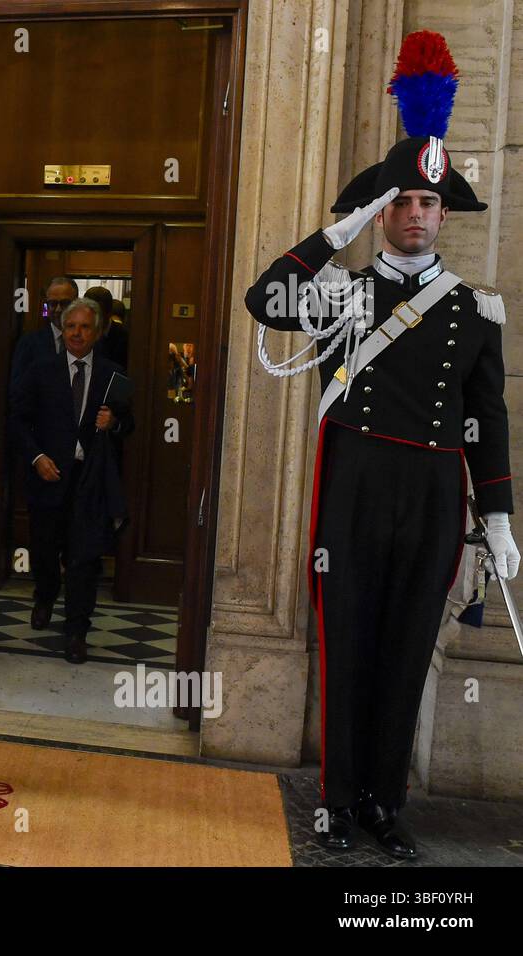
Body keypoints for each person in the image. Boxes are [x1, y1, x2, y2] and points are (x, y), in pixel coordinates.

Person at [246, 31, 518, 858]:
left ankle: (382, 802)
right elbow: (265, 299)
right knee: (349, 641)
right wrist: (336, 233)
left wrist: (499, 519)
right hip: (354, 482)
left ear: (443, 213)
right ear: (381, 211)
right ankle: (332, 800)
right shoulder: (342, 294)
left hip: (434, 495)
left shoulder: (477, 311)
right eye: (397, 202)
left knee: (405, 649)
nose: (412, 215)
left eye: (425, 203)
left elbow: (489, 419)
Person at [10, 298, 132, 661]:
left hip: (89, 481)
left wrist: (115, 424)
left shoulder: (114, 374)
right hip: (48, 475)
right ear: (63, 330)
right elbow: (17, 420)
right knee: (46, 550)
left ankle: (76, 629)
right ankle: (45, 596)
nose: (78, 333)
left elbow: (130, 425)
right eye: (72, 326)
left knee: (84, 559)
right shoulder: (40, 369)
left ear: (97, 332)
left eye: (85, 327)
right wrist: (36, 458)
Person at [11, 276, 77, 385]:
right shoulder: (29, 343)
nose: (58, 309)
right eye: (53, 304)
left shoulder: (88, 342)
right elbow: (18, 389)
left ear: (76, 303)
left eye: (64, 303)